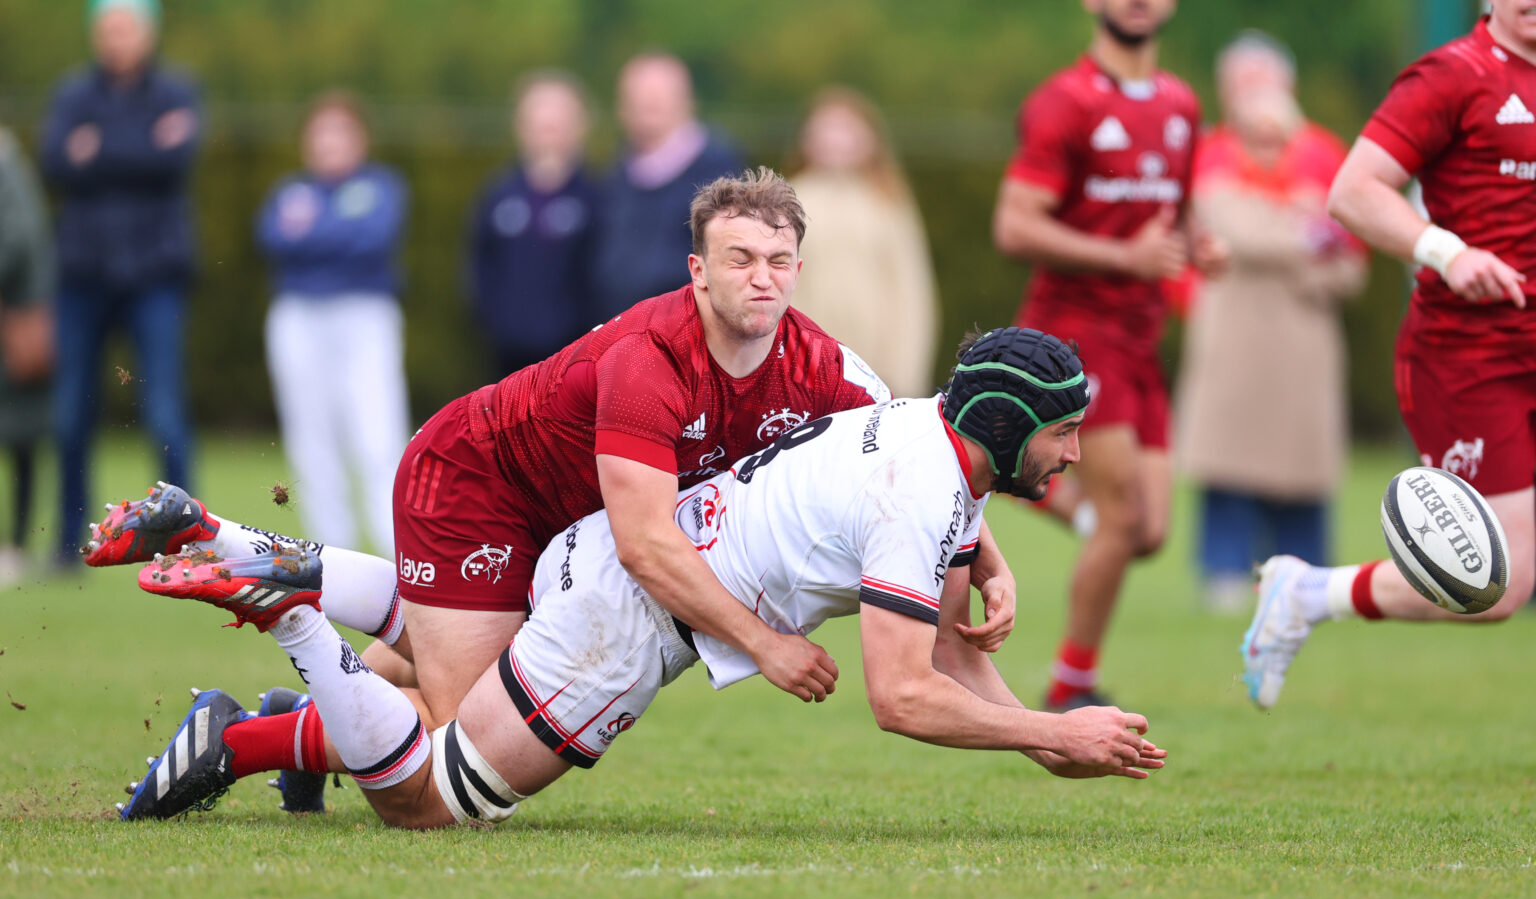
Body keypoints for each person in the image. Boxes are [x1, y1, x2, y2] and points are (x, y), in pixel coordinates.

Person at [84, 169, 1021, 812]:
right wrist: (766, 646)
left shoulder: (824, 365)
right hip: (477, 485)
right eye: (739, 260)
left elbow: (920, 445)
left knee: (436, 688)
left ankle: (235, 549)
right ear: (697, 271)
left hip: (567, 523)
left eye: (778, 262)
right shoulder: (651, 361)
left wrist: (983, 553)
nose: (761, 279)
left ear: (798, 271)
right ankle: (244, 726)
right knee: (456, 732)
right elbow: (651, 545)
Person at [115, 327, 1168, 825]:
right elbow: (900, 693)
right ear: (1003, 426)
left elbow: (945, 650)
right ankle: (295, 614)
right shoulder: (919, 495)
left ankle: (258, 597)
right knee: (432, 799)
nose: (1074, 456)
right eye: (1062, 433)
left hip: (611, 569)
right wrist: (1050, 731)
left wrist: (1045, 737)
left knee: (431, 676)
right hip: (627, 618)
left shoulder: (934, 450)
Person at [1241, 0, 1536, 709]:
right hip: (1470, 358)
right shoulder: (1452, 75)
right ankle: (1308, 592)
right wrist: (1447, 251)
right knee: (1500, 588)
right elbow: (1352, 191)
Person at [991, 0, 1213, 710]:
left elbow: (1173, 214)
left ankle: (1002, 466)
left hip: (1141, 341)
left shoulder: (1181, 102)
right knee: (1120, 520)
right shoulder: (1065, 101)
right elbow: (1015, 224)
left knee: (1147, 530)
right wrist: (1126, 255)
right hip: (1077, 335)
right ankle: (1068, 689)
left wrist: (1201, 244)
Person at [1174, 32, 1365, 613]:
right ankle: (1225, 578)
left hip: (1303, 348)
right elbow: (1220, 225)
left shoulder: (1325, 153)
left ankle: (1306, 586)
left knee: (1302, 474)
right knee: (1227, 469)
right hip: (1233, 344)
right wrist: (1305, 234)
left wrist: (1283, 240)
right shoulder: (1207, 153)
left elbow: (1350, 260)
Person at [40, 0, 200, 567]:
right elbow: (56, 161)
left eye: (127, 28)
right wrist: (140, 146)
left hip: (155, 274)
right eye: (108, 29)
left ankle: (189, 540)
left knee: (164, 411)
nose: (117, 40)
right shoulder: (72, 94)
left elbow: (174, 160)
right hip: (83, 274)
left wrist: (99, 150)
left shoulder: (178, 89)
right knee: (70, 414)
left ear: (148, 34)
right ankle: (69, 543)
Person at [256, 90, 410, 556]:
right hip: (298, 317)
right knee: (311, 436)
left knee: (377, 431)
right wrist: (332, 231)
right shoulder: (290, 192)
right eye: (319, 134)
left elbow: (372, 237)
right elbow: (271, 238)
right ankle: (330, 553)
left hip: (365, 315)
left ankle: (398, 549)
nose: (328, 144)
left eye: (339, 133)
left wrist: (312, 234)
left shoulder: (382, 187)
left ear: (360, 139)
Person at [789, 86, 940, 398]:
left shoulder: (888, 204)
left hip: (879, 371)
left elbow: (911, 290)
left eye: (846, 128)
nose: (836, 139)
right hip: (804, 369)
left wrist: (905, 374)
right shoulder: (788, 200)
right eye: (827, 128)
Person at [590, 52, 744, 321]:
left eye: (657, 98)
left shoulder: (718, 169)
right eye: (637, 99)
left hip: (685, 336)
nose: (647, 106)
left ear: (686, 102)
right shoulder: (617, 171)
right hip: (620, 332)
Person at [468, 71, 600, 379]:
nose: (547, 133)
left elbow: (601, 277)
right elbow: (478, 266)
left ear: (579, 126)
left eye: (557, 124)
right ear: (521, 126)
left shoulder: (597, 198)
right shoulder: (498, 195)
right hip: (506, 357)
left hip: (576, 361)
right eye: (539, 123)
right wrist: (495, 322)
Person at [0, 125, 54, 584]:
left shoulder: (7, 170)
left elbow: (16, 243)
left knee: (19, 439)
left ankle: (15, 544)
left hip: (12, 330)